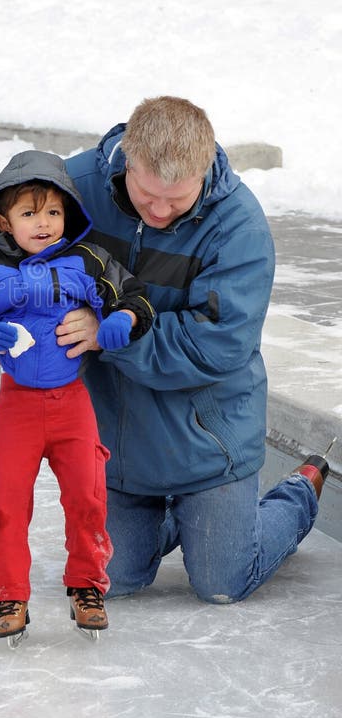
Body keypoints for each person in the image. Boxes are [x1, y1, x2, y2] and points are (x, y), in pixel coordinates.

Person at [59, 95, 331, 603]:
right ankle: (172, 523)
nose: (160, 212)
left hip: (206, 437)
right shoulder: (75, 188)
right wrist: (11, 330)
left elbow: (216, 346)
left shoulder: (240, 227)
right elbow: (22, 256)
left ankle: (297, 491)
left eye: (177, 200)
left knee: (221, 583)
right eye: (147, 196)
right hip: (113, 435)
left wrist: (107, 333)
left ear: (204, 173)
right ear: (127, 159)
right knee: (114, 579)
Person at [0, 150, 154, 641]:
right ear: (3, 220)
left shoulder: (87, 260)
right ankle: (9, 595)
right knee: (6, 500)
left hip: (73, 403)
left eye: (53, 211)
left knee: (89, 497)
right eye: (29, 213)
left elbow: (134, 295)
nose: (44, 223)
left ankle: (87, 584)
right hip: (17, 406)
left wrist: (121, 320)